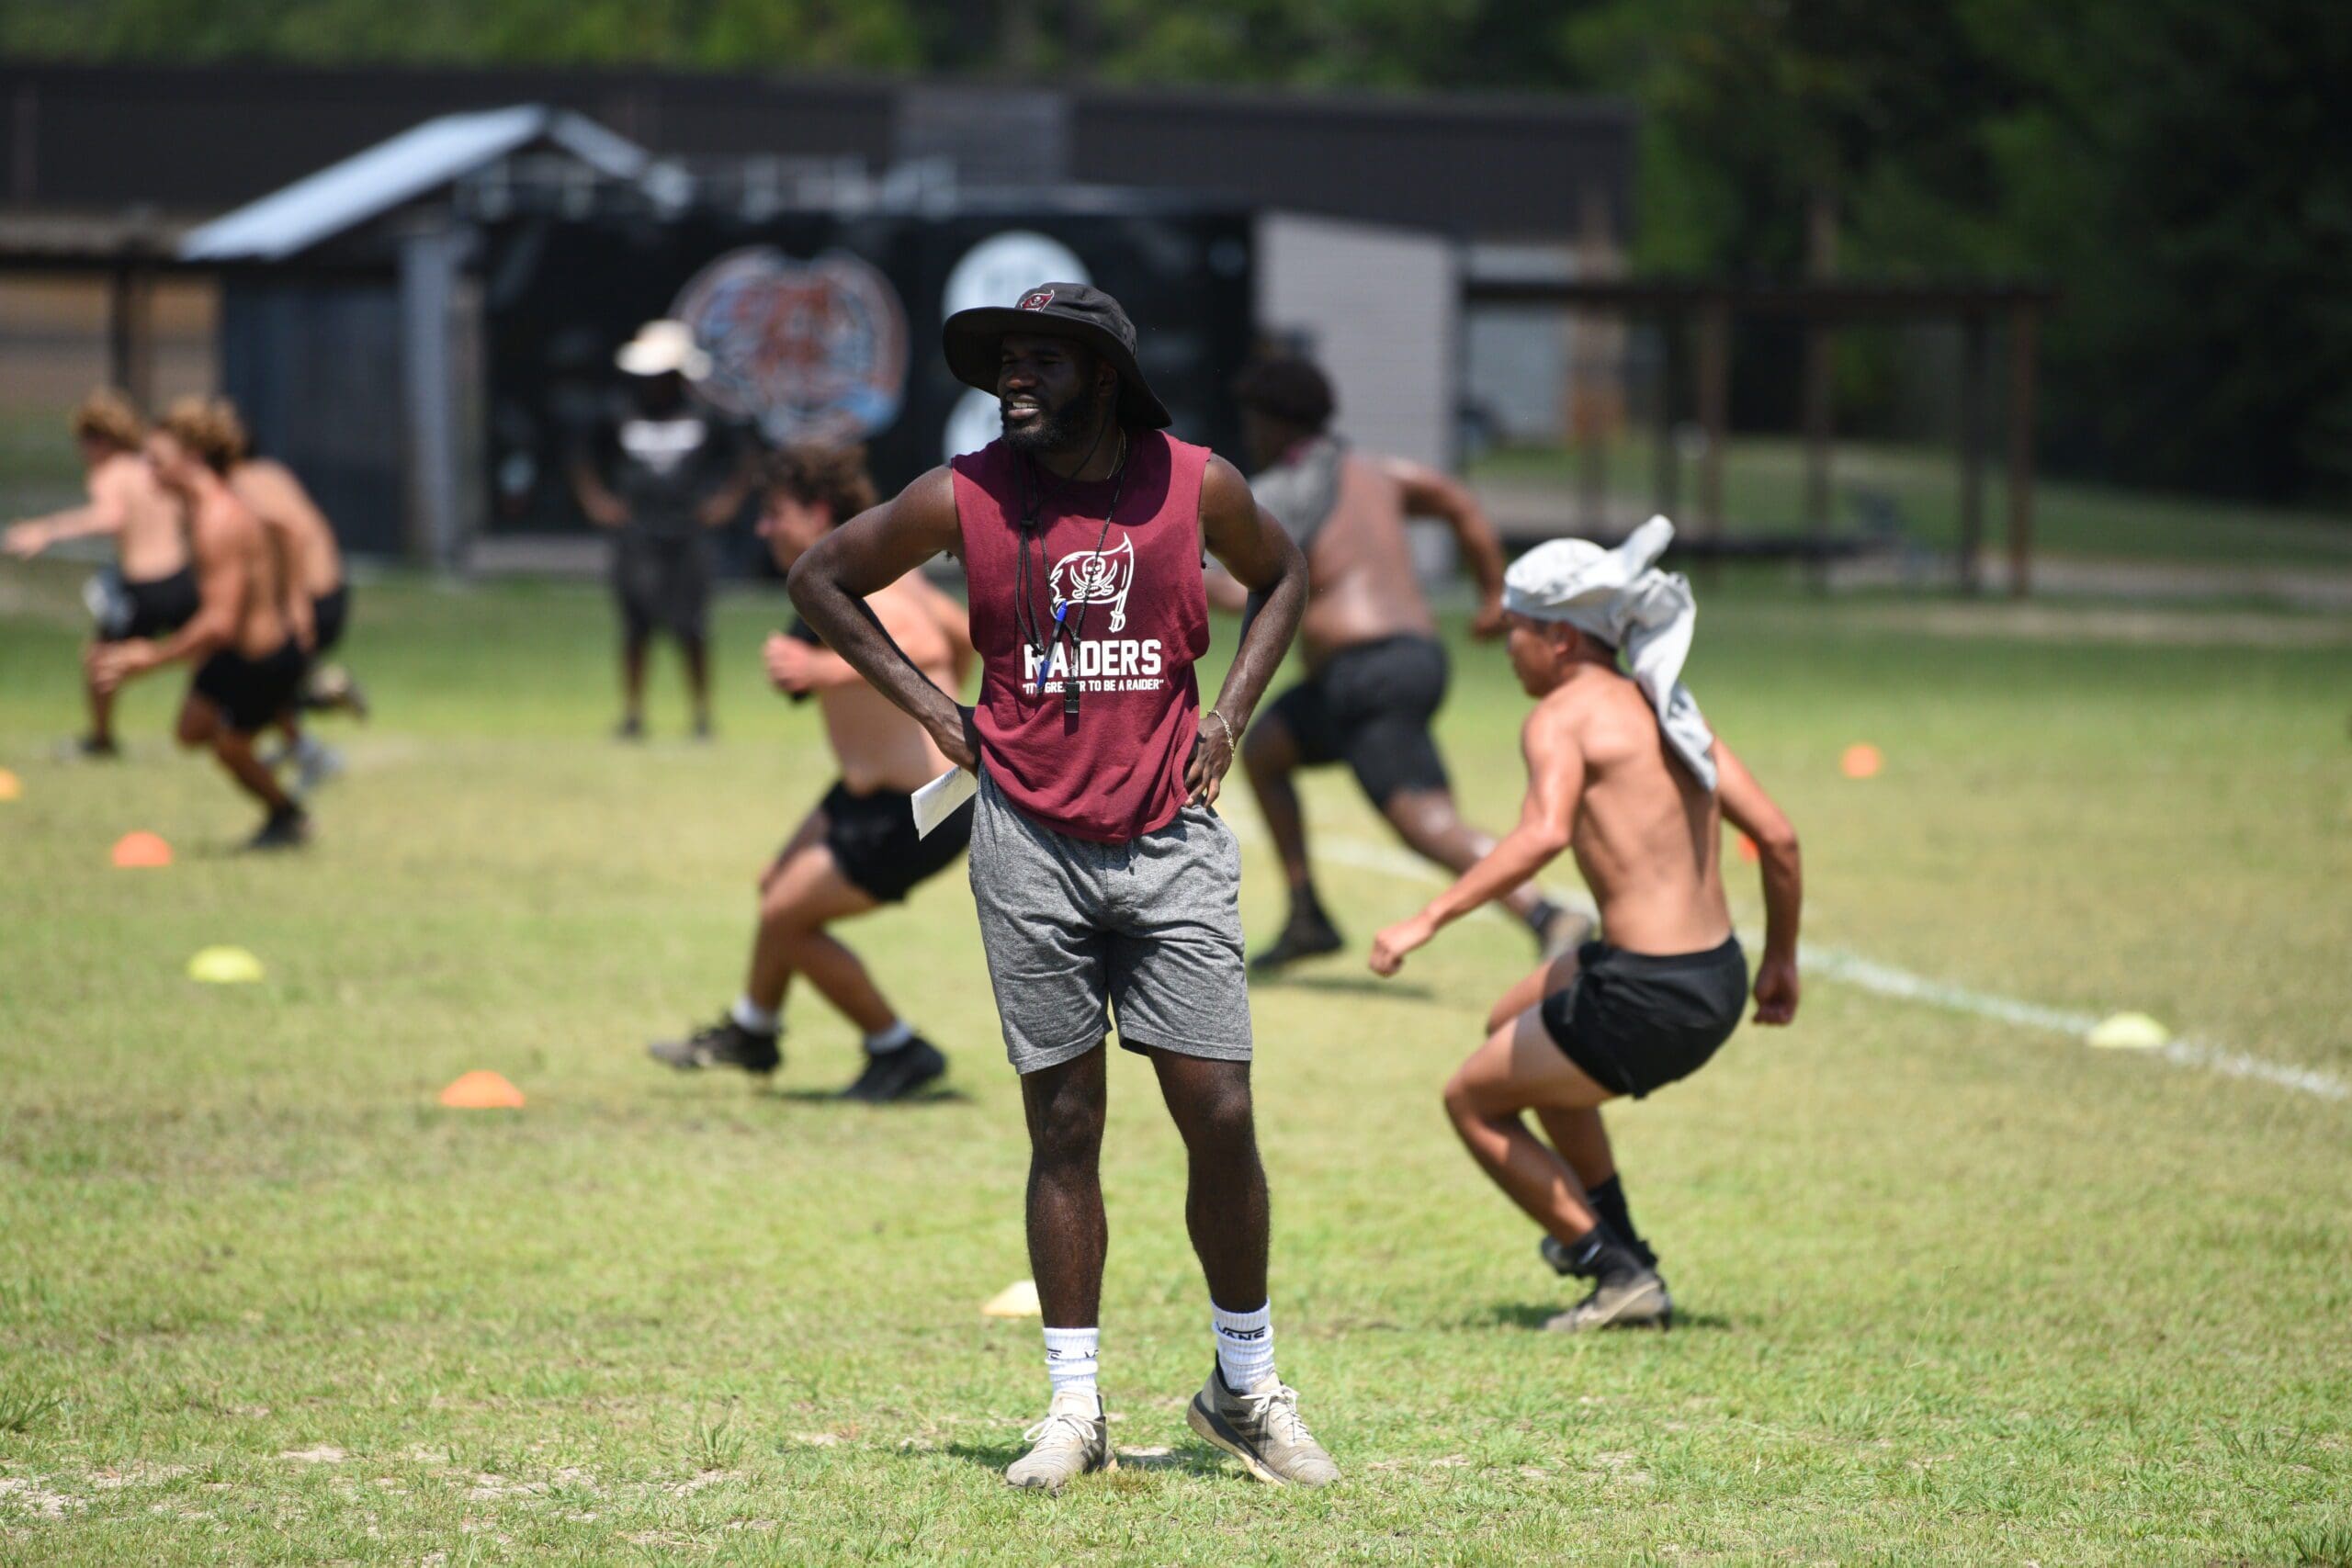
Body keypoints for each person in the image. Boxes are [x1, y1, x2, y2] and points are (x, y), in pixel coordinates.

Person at [789, 284, 1340, 1492]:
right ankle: (1074, 1408)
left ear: (1103, 375)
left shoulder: (1197, 485)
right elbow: (821, 575)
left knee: (1220, 1110)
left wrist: (1232, 714)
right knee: (1065, 1124)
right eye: (1005, 361)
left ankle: (1244, 1387)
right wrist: (934, 708)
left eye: (1040, 359)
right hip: (1027, 843)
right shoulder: (965, 494)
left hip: (1169, 835)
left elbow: (1285, 574)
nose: (1013, 379)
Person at [1369, 520, 1803, 1332]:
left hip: (1645, 992)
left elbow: (1542, 835)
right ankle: (1620, 1242)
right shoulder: (1668, 705)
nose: (1507, 647)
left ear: (1561, 638)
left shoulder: (1562, 716)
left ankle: (1613, 1266)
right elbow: (1778, 838)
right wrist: (1780, 960)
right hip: (1715, 972)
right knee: (1510, 1023)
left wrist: (1426, 919)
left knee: (1470, 1100)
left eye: (1517, 630)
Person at [1215, 354, 1583, 968]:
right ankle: (1307, 916)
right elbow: (1459, 502)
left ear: (1275, 423)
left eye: (1254, 422)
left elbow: (1238, 593)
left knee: (1424, 819)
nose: (1251, 437)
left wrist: (1168, 575)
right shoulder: (1378, 472)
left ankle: (1549, 916)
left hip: (1366, 671)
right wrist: (1493, 593)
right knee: (1267, 749)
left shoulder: (1289, 491)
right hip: (1410, 657)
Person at [648, 443, 975, 1102]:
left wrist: (820, 668)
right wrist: (952, 706)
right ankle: (753, 1027)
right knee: (776, 889)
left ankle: (898, 1049)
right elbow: (961, 633)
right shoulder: (860, 560)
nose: (763, 528)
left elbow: (926, 642)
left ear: (818, 512)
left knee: (787, 915)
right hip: (872, 793)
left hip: (928, 803)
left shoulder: (865, 573)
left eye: (775, 513)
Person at [86, 398, 311, 849]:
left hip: (262, 658)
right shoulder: (203, 508)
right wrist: (292, 596)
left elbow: (218, 624)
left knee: (230, 749)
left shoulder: (216, 520)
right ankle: (293, 710)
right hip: (233, 653)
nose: (148, 472)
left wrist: (152, 658)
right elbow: (282, 533)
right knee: (190, 732)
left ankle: (288, 816)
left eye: (156, 461)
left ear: (191, 459)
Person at [570, 320, 753, 739]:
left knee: (693, 627)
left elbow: (744, 459)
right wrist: (597, 502)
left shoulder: (703, 414)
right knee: (636, 626)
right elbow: (581, 456)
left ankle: (702, 714)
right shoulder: (619, 410)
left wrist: (727, 502)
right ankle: (633, 713)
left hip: (689, 533)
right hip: (636, 534)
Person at [4, 389, 194, 757]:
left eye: (85, 440)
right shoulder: (152, 468)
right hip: (182, 578)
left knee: (98, 661)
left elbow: (110, 517)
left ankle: (101, 739)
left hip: (144, 586)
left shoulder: (109, 473)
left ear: (100, 439)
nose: (82, 450)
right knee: (214, 649)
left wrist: (46, 530)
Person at [224, 416, 367, 795]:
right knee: (269, 676)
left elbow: (296, 531)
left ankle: (318, 704)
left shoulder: (243, 482)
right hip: (332, 590)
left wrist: (295, 601)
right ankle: (305, 729)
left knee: (261, 673)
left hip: (309, 598)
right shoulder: (270, 472)